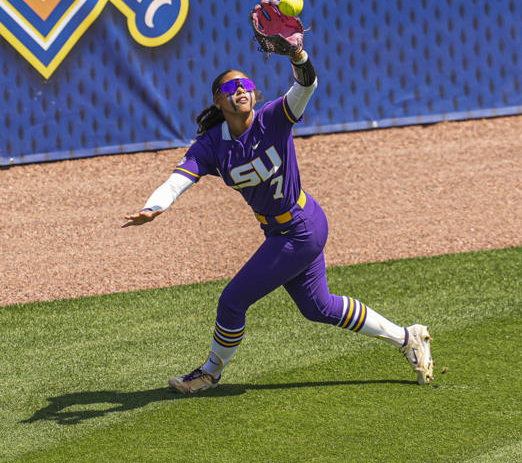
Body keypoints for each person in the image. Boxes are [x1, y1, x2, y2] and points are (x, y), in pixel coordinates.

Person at [122, 44, 434, 393]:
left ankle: (210, 372)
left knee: (232, 301)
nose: (239, 90)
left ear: (253, 93)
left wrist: (298, 55)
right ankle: (408, 337)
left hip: (300, 228)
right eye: (229, 88)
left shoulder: (273, 117)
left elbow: (307, 86)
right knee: (318, 306)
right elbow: (178, 179)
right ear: (217, 102)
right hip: (282, 232)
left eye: (245, 84)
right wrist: (155, 207)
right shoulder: (212, 145)